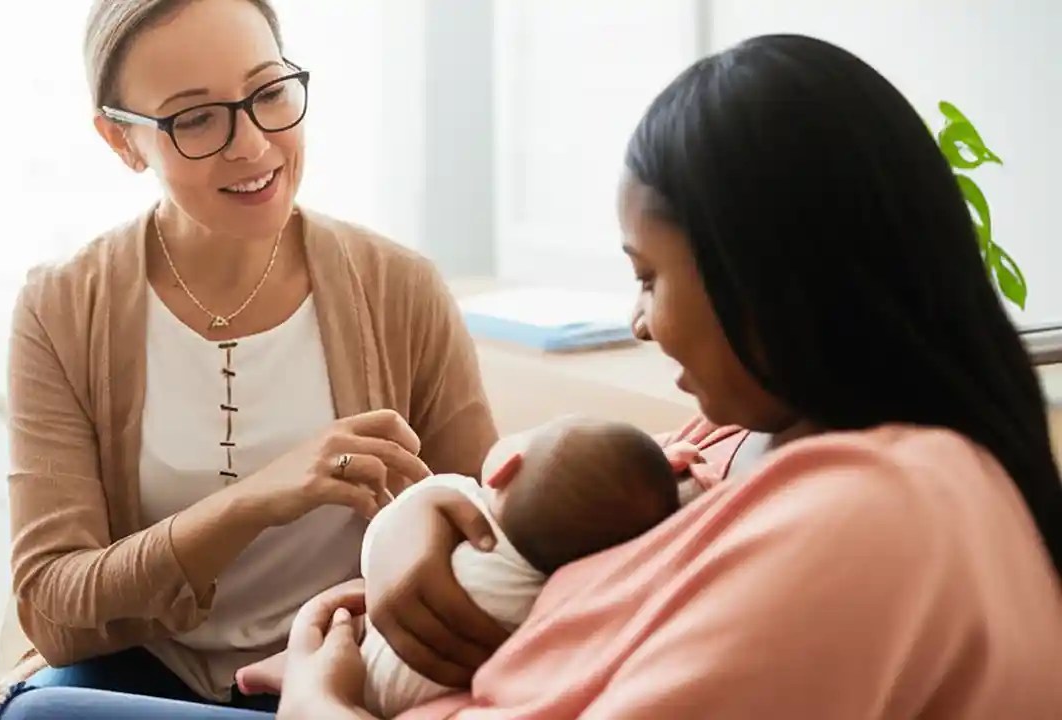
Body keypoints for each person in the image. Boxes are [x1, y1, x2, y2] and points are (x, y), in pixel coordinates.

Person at [279, 34, 1062, 719]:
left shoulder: (874, 518)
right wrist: (406, 522)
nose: (641, 322)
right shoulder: (726, 442)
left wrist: (317, 708)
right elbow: (541, 491)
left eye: (649, 276)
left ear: (762, 277)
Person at [0, 0, 496, 718]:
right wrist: (252, 501)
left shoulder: (399, 286)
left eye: (269, 93)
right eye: (195, 118)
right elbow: (54, 606)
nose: (252, 144)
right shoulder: (63, 307)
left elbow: (484, 525)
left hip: (347, 669)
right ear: (122, 142)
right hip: (151, 675)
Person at [234, 417, 680, 716]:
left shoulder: (468, 508)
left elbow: (376, 548)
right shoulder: (558, 577)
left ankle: (285, 670)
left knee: (343, 629)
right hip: (425, 690)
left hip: (356, 682)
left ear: (505, 469)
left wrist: (317, 700)